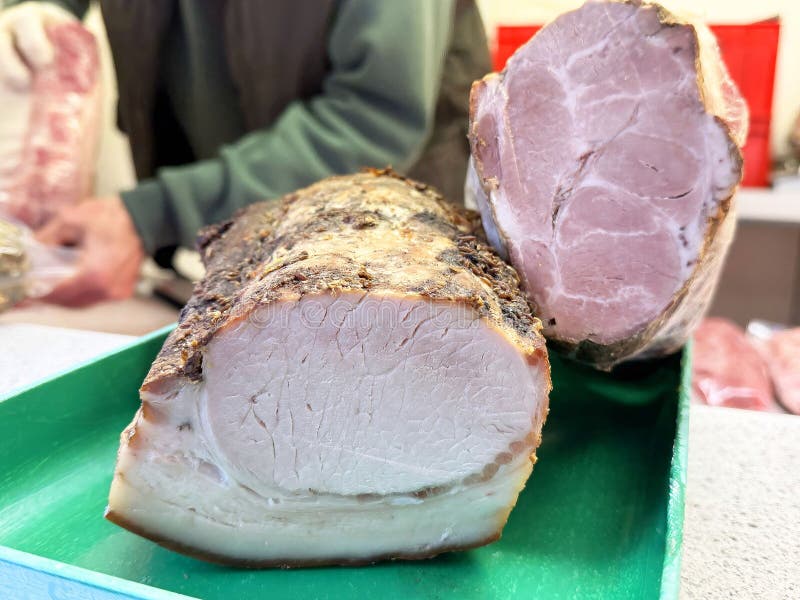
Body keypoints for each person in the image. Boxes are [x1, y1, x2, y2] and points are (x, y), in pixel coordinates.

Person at [0, 0, 491, 306]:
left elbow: (371, 119)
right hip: (216, 252)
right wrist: (39, 8)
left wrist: (151, 214)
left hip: (387, 256)